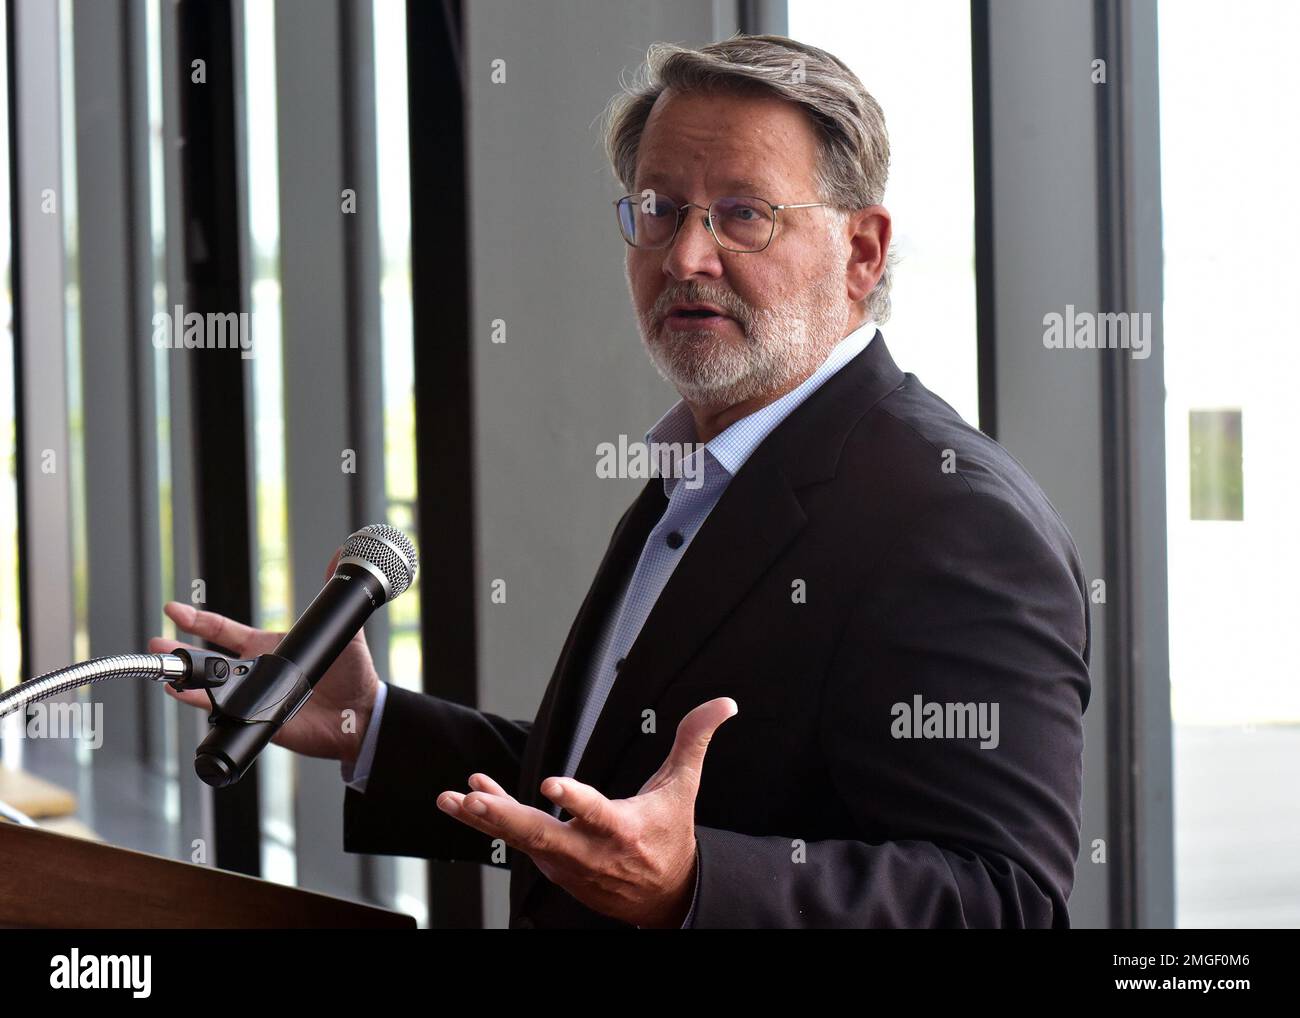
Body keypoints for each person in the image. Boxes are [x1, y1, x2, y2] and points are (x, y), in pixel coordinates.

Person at [151, 34, 1090, 929]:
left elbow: (1004, 901)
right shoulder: (707, 468)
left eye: (744, 213)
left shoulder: (954, 517)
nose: (686, 255)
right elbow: (605, 785)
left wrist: (692, 888)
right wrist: (372, 725)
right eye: (659, 207)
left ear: (863, 252)